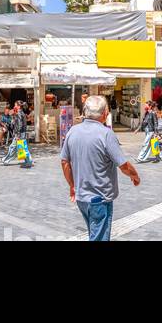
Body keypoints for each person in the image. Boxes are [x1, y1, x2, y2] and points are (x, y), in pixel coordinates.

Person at [60, 95, 140, 241]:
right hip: (99, 199)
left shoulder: (73, 131)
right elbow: (123, 165)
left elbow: (64, 162)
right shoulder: (106, 134)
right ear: (104, 113)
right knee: (99, 237)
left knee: (94, 233)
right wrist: (135, 176)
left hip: (82, 197)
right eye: (108, 111)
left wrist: (72, 185)